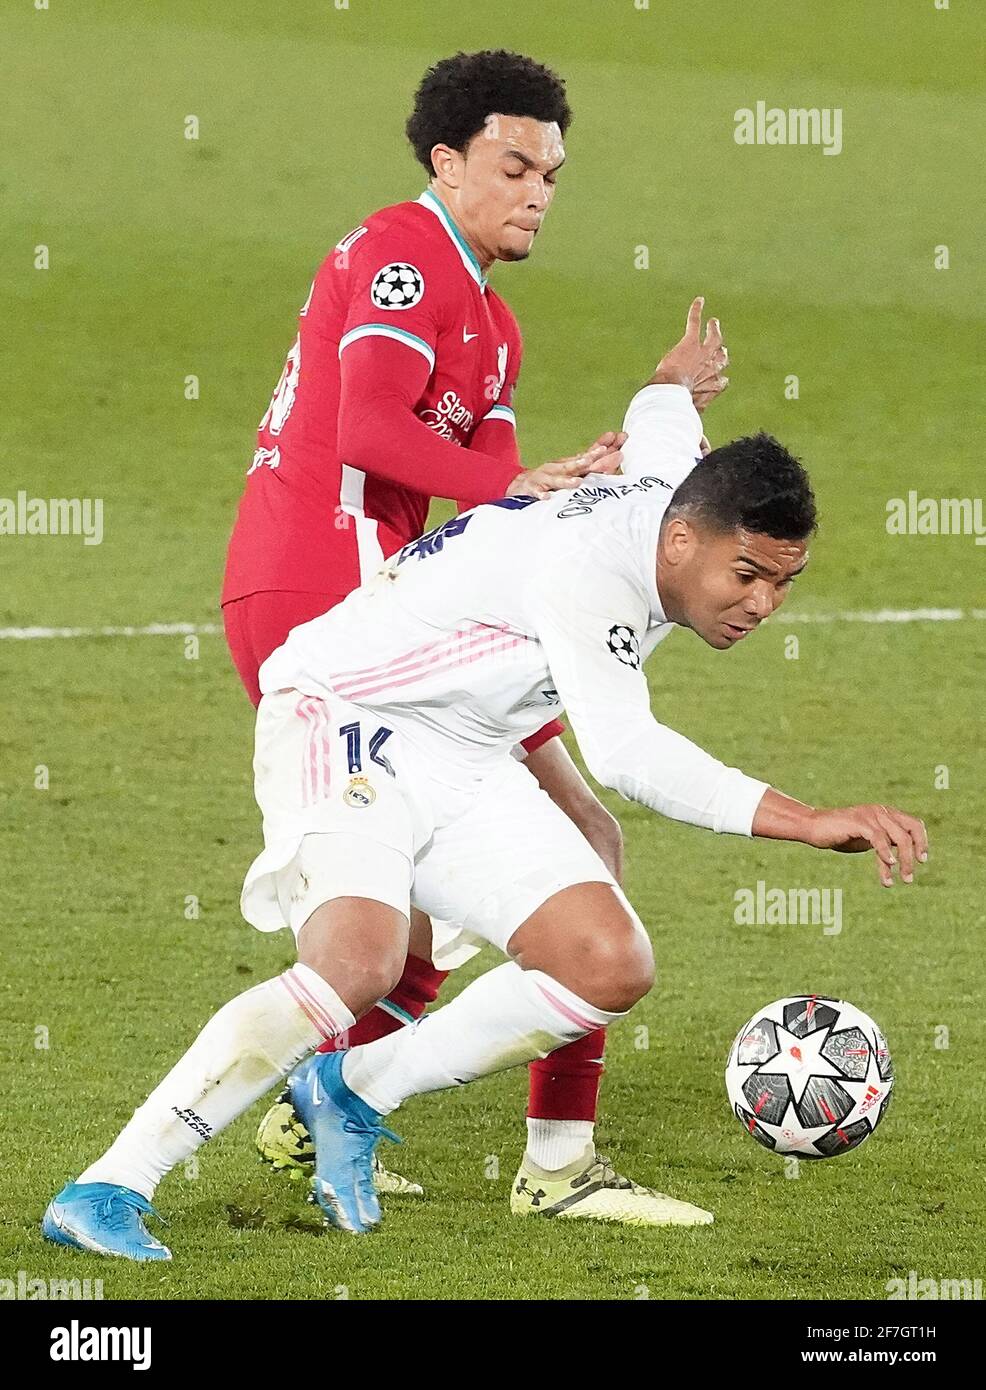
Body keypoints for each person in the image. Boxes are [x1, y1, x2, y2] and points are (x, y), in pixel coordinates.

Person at [43, 302, 926, 1257]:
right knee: (356, 964)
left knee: (607, 963)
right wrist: (807, 822)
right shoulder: (594, 571)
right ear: (682, 543)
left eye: (782, 583)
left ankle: (354, 1091)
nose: (762, 605)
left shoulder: (678, 491)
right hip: (345, 712)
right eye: (747, 575)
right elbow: (627, 754)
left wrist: (674, 377)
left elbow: (662, 416)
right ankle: (107, 1187)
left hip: (464, 748)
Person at [222, 48, 668, 1219]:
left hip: (416, 616)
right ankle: (518, 1154)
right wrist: (519, 484)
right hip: (329, 605)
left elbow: (492, 485)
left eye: (552, 174)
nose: (537, 192)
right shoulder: (403, 251)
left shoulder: (495, 321)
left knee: (560, 846)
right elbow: (370, 430)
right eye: (513, 166)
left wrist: (586, 469)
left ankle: (340, 1110)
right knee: (426, 906)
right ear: (446, 161)